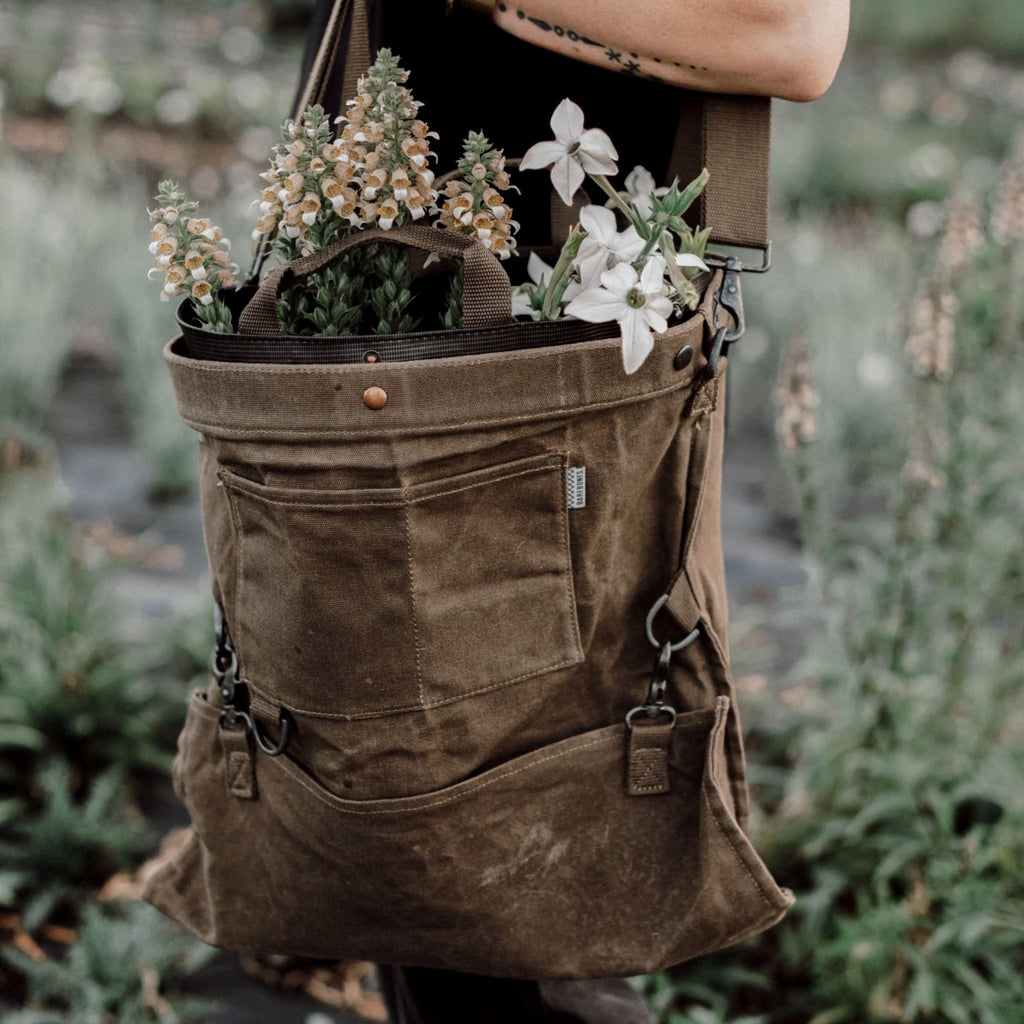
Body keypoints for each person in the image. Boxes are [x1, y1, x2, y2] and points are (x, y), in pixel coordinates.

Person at [294, 2, 851, 1020]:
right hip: (407, 288)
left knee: (531, 886)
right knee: (408, 829)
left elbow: (792, 36)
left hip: (573, 340)